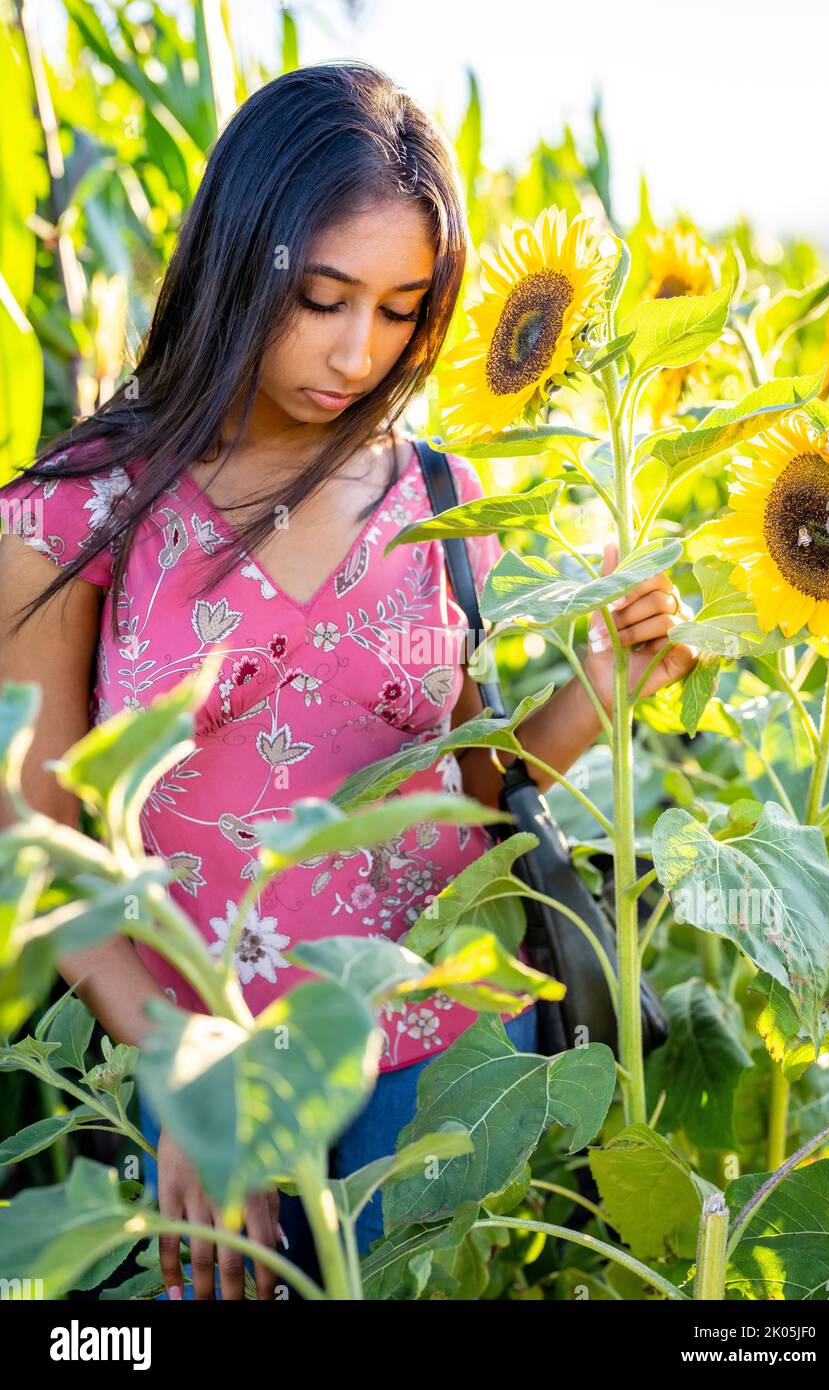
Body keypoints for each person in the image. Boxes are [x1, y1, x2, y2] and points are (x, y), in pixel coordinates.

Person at [0, 61, 696, 1301]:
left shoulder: (440, 501)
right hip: (210, 1065)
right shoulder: (79, 514)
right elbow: (34, 839)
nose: (357, 351)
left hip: (440, 1065)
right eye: (322, 299)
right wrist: (179, 1062)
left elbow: (459, 785)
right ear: (236, 261)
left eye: (398, 307)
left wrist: (603, 684)